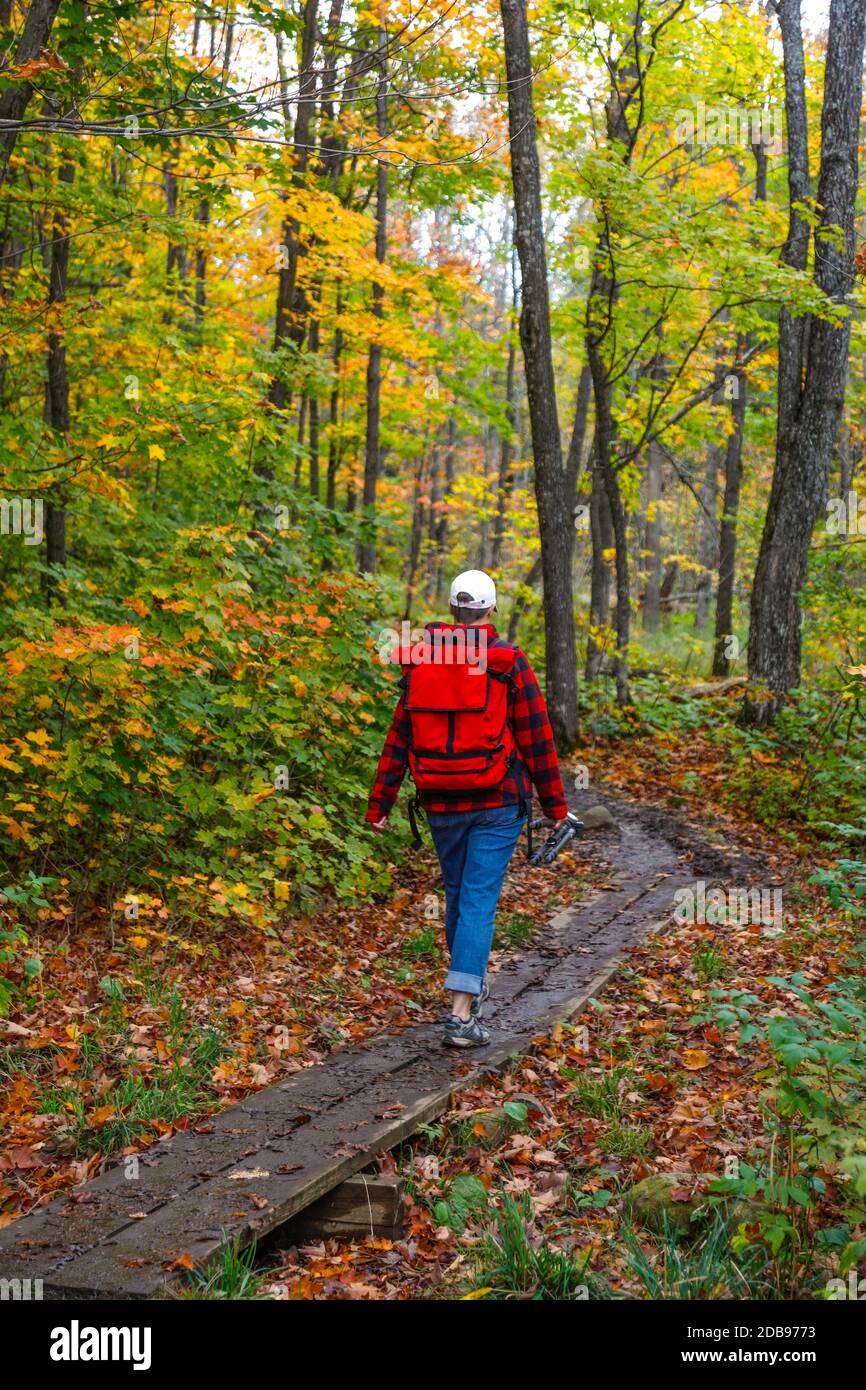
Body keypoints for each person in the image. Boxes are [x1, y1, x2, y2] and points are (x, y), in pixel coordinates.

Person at [365, 569, 568, 1047]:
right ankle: (461, 1014)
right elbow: (537, 738)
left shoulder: (421, 660)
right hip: (498, 801)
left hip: (440, 799)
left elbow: (400, 737)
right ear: (491, 610)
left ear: (453, 609)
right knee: (476, 899)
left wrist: (380, 805)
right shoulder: (506, 662)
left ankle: (466, 993)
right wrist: (556, 806)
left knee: (459, 896)